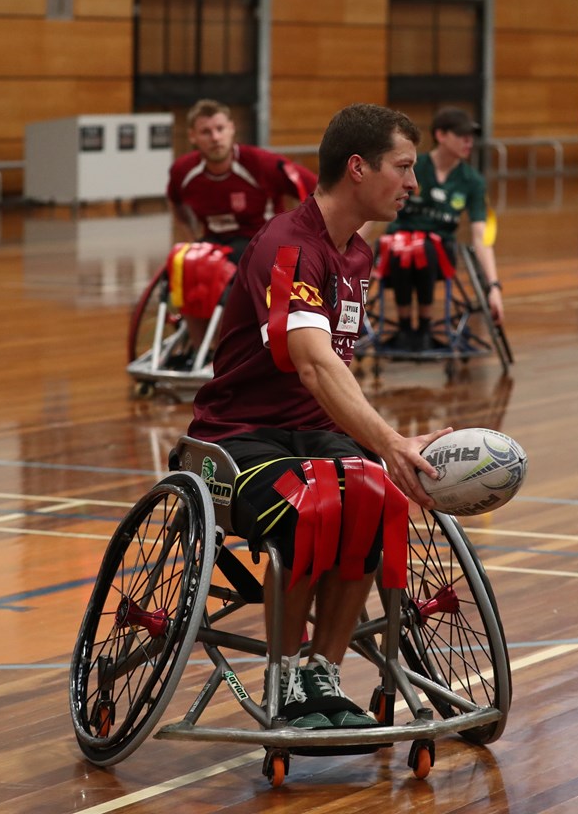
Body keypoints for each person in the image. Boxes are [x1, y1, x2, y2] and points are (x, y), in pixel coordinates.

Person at [184, 103, 451, 729]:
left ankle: (317, 674)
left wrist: (385, 452)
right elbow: (312, 363)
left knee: (376, 494)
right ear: (358, 168)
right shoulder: (289, 246)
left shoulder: (355, 256)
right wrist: (388, 438)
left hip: (313, 438)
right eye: (404, 167)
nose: (414, 183)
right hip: (239, 440)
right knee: (322, 499)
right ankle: (283, 680)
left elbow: (337, 368)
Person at [164, 99, 318, 349]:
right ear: (192, 136)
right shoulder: (183, 171)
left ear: (232, 129)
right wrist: (192, 235)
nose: (215, 137)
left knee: (227, 274)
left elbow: (314, 189)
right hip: (216, 240)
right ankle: (202, 349)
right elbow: (175, 203)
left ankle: (226, 347)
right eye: (206, 132)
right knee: (187, 263)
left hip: (262, 241)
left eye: (220, 129)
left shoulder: (261, 164)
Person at [376, 107, 503, 351]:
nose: (469, 141)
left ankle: (423, 327)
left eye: (471, 136)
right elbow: (375, 208)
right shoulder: (413, 166)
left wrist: (494, 286)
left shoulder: (472, 180)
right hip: (397, 246)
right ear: (441, 135)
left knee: (425, 248)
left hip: (439, 251)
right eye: (462, 135)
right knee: (402, 247)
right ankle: (405, 326)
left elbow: (480, 236)